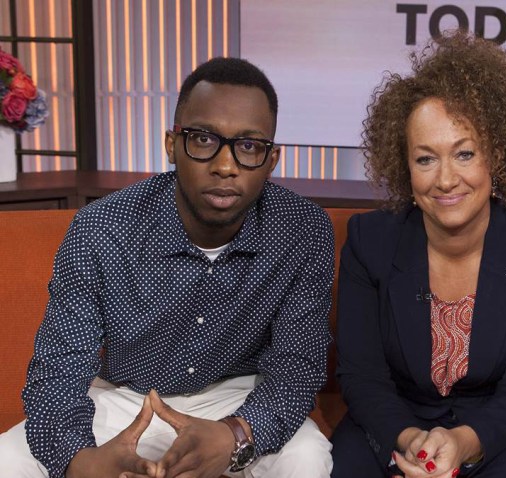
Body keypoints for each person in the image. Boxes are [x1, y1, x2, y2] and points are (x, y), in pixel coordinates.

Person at [0, 57, 334, 478]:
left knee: (307, 458)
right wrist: (80, 463)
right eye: (203, 139)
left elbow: (297, 366)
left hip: (238, 397)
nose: (225, 165)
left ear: (272, 159)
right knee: (7, 460)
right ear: (172, 145)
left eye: (249, 146)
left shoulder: (303, 229)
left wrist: (235, 434)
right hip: (125, 398)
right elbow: (59, 367)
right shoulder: (101, 227)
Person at [329, 32, 506, 478]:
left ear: (496, 157)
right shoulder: (369, 241)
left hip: (498, 426)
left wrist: (463, 443)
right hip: (397, 419)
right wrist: (411, 442)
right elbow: (362, 377)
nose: (445, 179)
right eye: (425, 159)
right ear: (404, 165)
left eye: (464, 154)